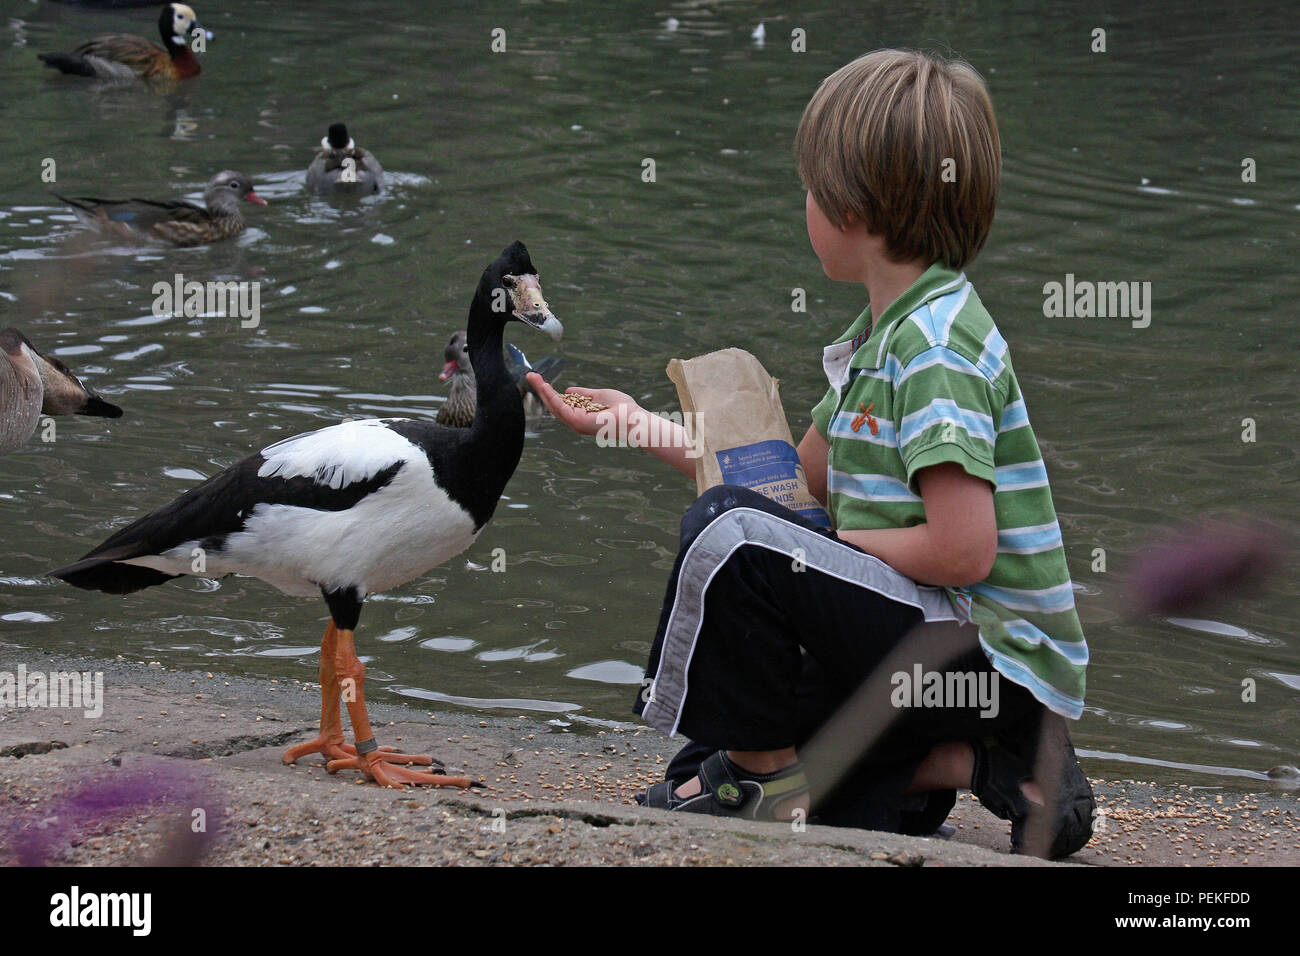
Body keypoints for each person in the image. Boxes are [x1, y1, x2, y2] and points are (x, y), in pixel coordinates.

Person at [529, 48, 1095, 858]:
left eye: (811, 188)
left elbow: (964, 551)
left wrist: (824, 548)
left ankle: (773, 779)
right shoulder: (887, 336)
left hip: (982, 659)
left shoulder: (934, 348)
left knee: (730, 551)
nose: (805, 204)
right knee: (706, 741)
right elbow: (783, 488)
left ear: (857, 208)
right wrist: (629, 422)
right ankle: (964, 767)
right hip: (932, 657)